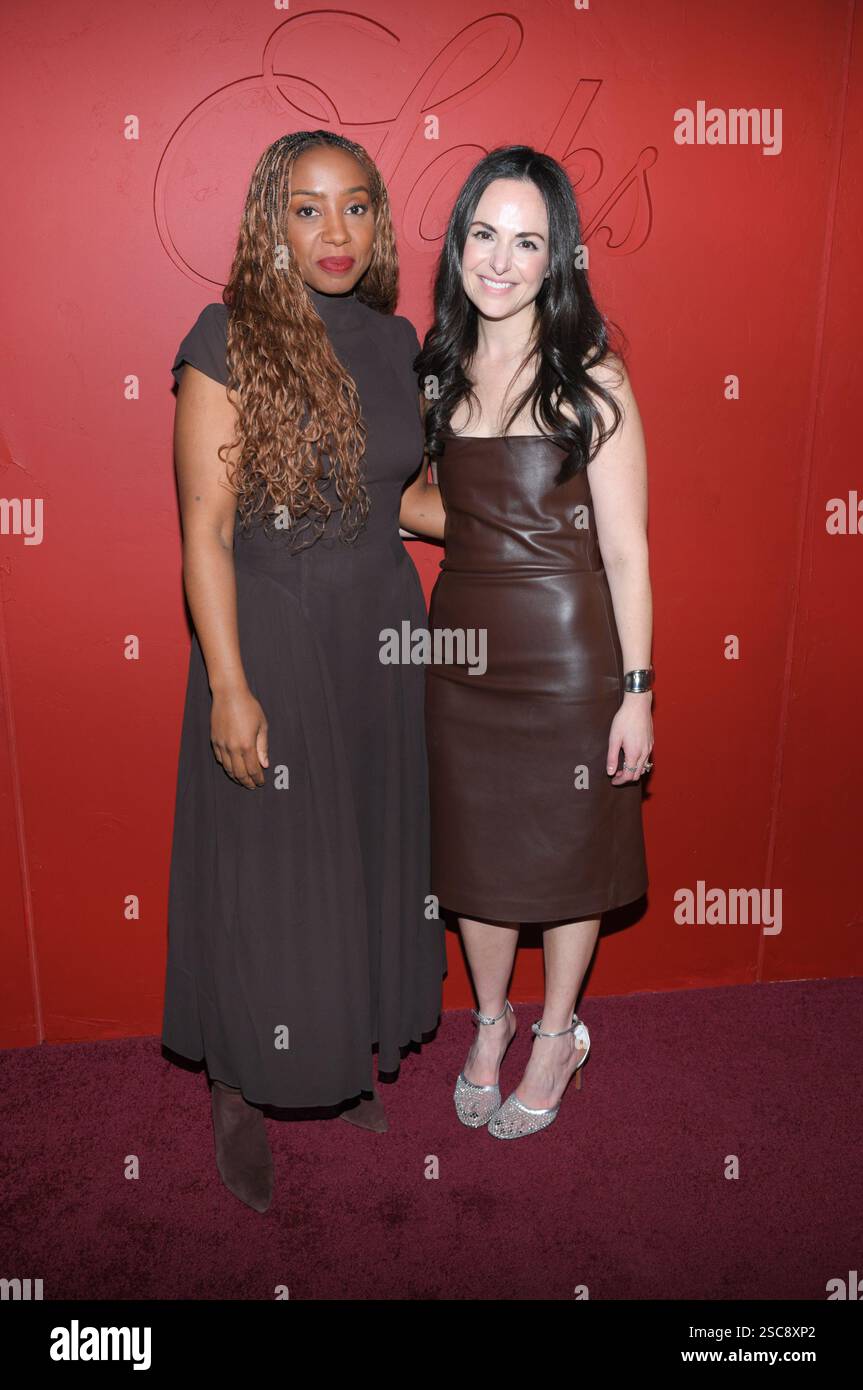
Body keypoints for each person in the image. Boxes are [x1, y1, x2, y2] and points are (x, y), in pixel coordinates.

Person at [162, 130, 447, 1211]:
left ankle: (334, 1050)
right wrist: (229, 683)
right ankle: (238, 1078)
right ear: (269, 223)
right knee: (269, 869)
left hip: (382, 631)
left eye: (356, 208)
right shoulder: (224, 335)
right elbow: (202, 524)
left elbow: (401, 499)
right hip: (274, 633)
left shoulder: (395, 338)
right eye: (308, 209)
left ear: (377, 221)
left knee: (362, 855)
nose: (336, 232)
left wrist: (514, 524)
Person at [416, 146, 652, 1140]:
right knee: (471, 855)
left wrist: (635, 689)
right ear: (460, 242)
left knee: (562, 858)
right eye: (484, 234)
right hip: (460, 653)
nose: (500, 260)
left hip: (565, 655)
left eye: (527, 241)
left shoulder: (589, 372)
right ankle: (489, 1020)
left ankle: (556, 1032)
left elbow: (626, 548)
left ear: (557, 258)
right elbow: (451, 505)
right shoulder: (431, 366)